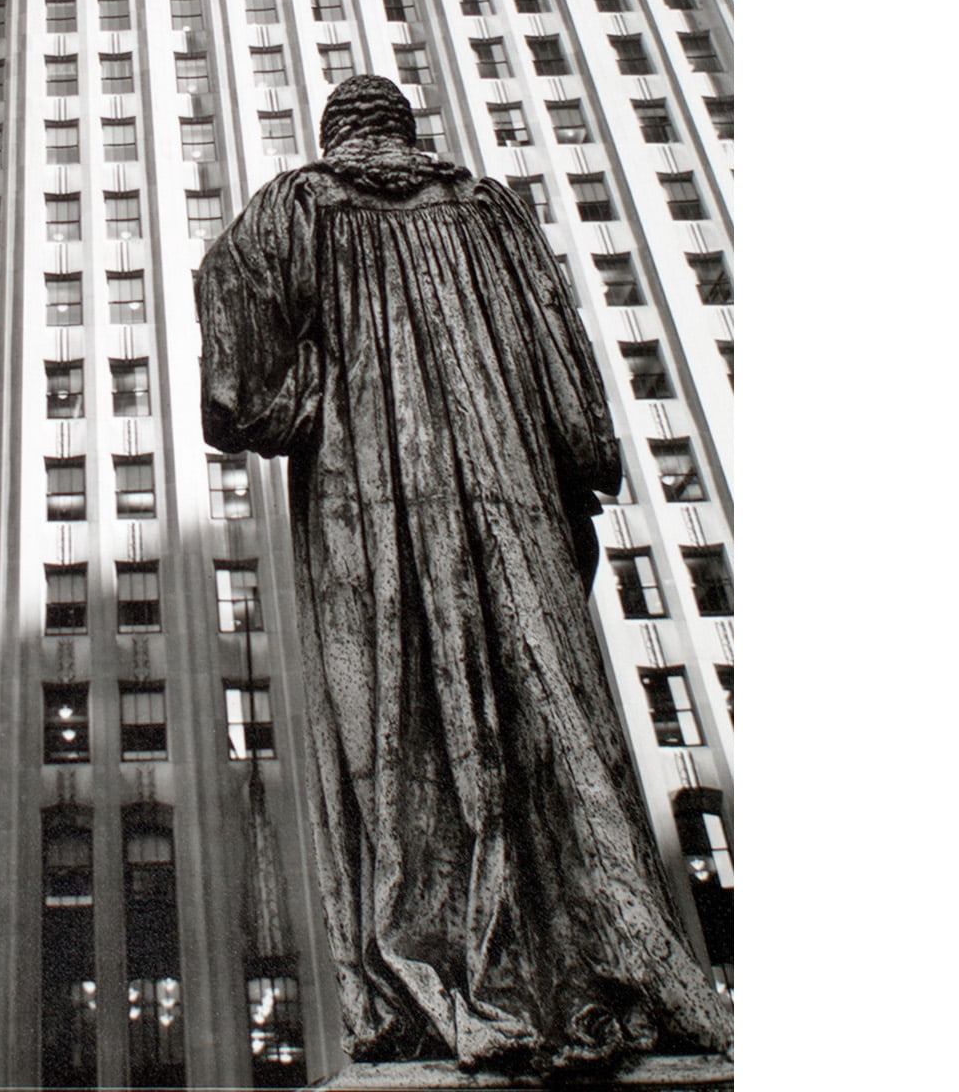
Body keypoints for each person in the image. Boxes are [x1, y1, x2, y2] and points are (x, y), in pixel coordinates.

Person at [195, 75, 732, 1072]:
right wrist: (566, 472)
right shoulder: (489, 213)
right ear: (404, 134)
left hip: (373, 523)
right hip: (510, 507)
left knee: (398, 734)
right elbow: (575, 395)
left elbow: (235, 392)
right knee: (552, 722)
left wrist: (318, 397)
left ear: (336, 136)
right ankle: (602, 969)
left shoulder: (292, 209)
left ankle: (444, 982)